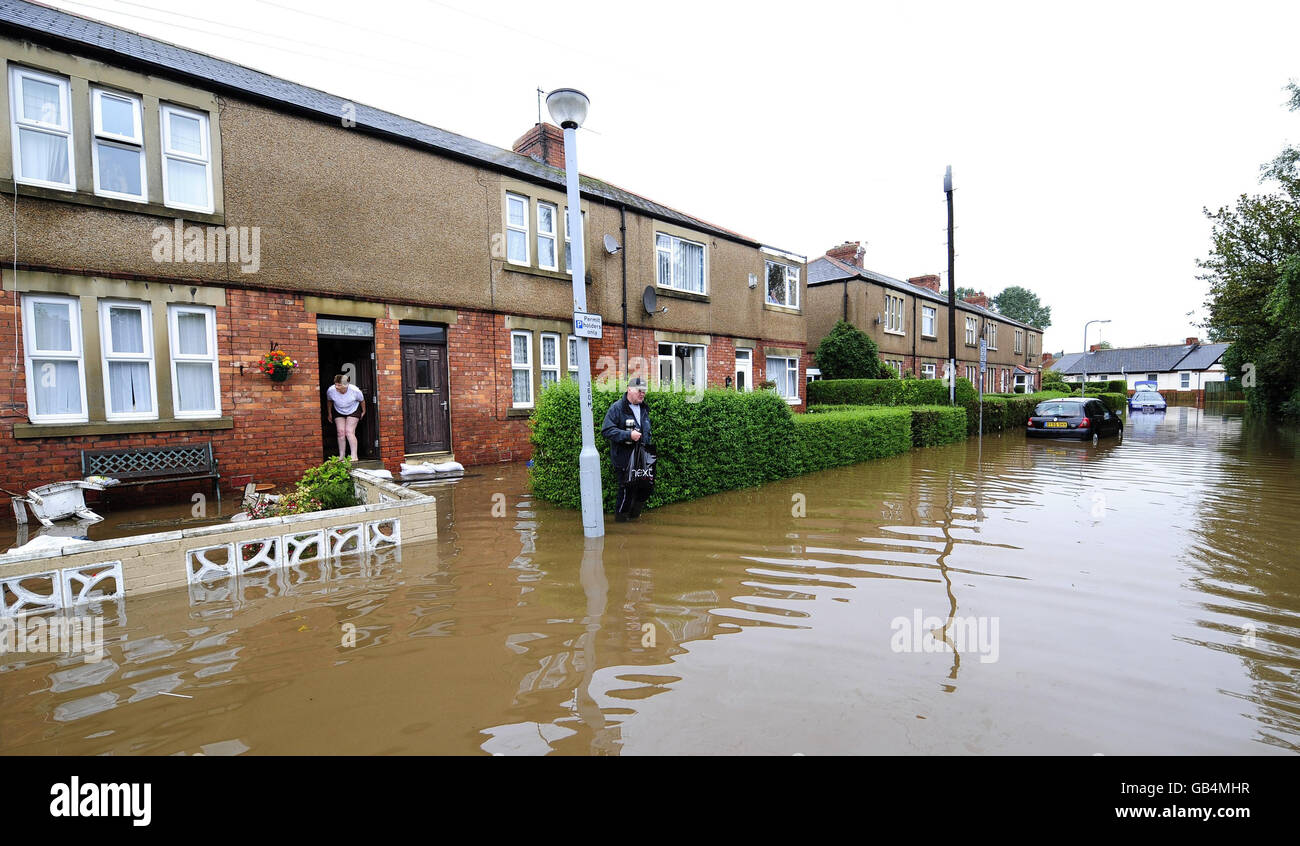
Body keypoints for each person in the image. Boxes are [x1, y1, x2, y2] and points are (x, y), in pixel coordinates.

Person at [601, 377, 653, 522]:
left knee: (645, 488)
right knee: (627, 490)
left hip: (642, 457)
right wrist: (628, 435)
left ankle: (634, 517)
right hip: (624, 458)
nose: (642, 394)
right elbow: (606, 430)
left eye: (644, 391)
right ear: (629, 389)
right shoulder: (617, 408)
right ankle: (621, 522)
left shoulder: (644, 408)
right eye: (639, 391)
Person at [326, 374, 365, 461]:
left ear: (346, 384)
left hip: (353, 409)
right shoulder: (331, 390)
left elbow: (362, 401)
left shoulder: (355, 390)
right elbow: (329, 401)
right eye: (335, 384)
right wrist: (329, 413)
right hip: (338, 409)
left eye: (339, 385)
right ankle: (341, 456)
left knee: (349, 431)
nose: (336, 386)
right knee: (340, 432)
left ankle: (354, 456)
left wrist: (363, 411)